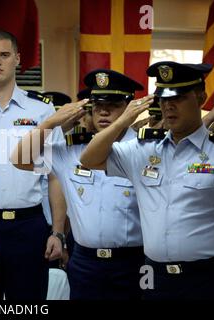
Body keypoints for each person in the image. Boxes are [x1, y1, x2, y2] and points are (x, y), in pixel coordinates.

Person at [80, 61, 214, 299]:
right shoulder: (144, 150)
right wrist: (123, 120)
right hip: (153, 274)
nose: (168, 106)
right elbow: (89, 159)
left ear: (201, 97)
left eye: (178, 98)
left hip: (205, 276)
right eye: (163, 99)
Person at [12, 69, 146, 299]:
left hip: (132, 262)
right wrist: (52, 121)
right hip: (85, 263)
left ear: (128, 107)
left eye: (113, 104)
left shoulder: (145, 150)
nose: (103, 111)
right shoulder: (71, 151)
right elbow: (20, 159)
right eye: (97, 105)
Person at [0, 31, 65, 300]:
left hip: (29, 226)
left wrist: (58, 232)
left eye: (4, 55)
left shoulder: (42, 112)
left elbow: (55, 175)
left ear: (18, 59)